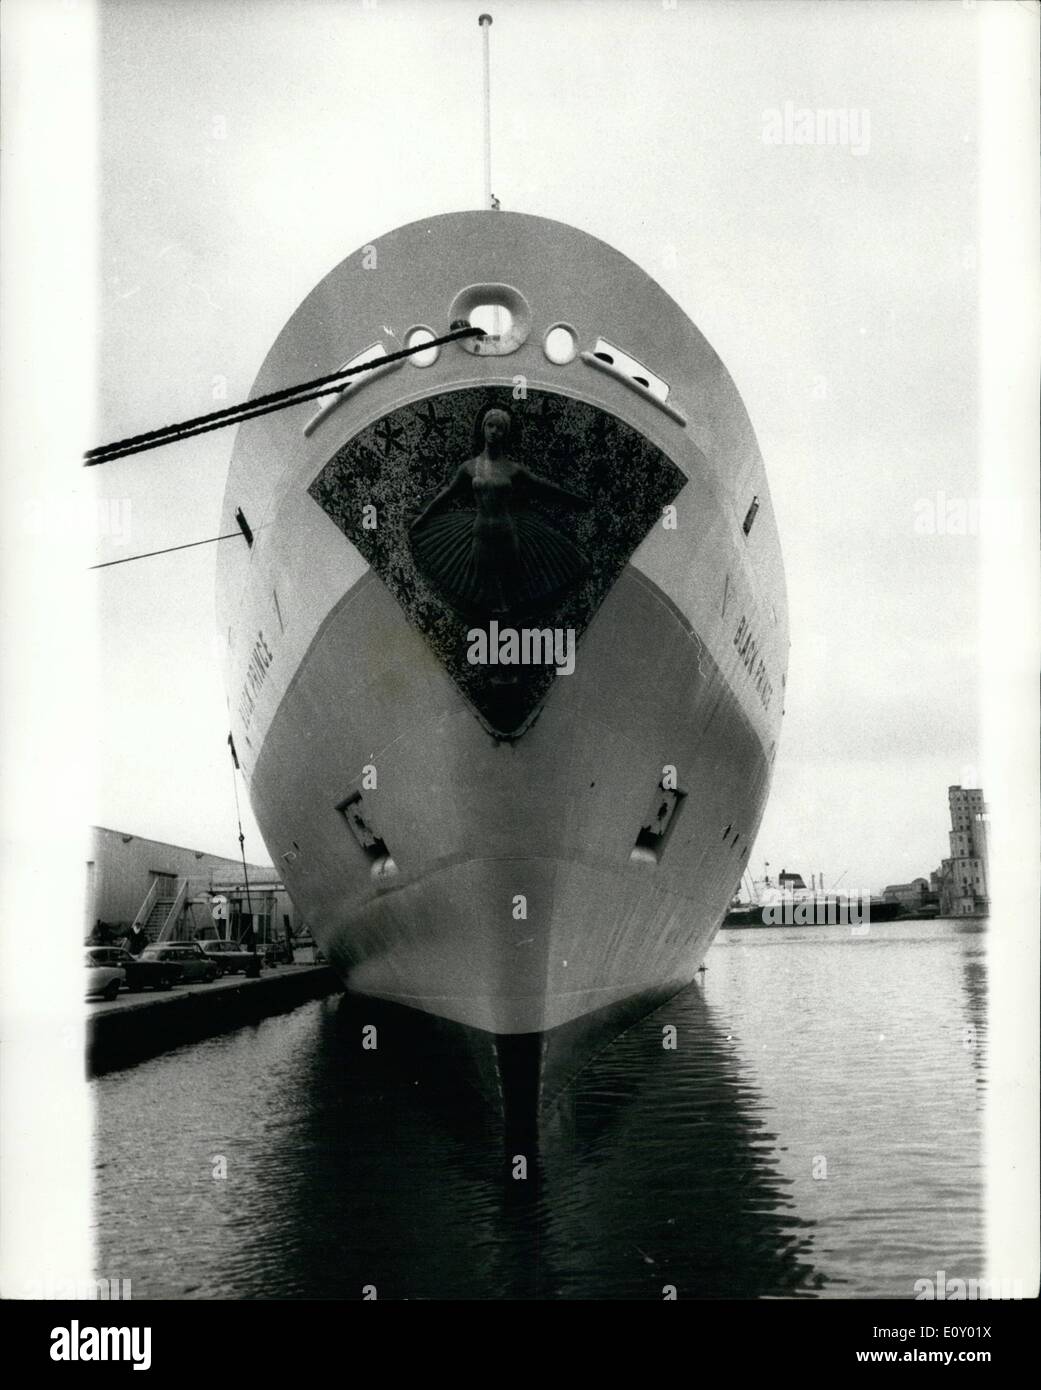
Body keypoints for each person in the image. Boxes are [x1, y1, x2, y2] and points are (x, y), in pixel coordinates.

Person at [409, 406, 590, 616]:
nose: (494, 431)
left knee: (511, 584)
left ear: (506, 434)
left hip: (507, 531)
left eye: (500, 428)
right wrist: (425, 516)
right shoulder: (469, 467)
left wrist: (575, 500)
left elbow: (542, 487)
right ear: (483, 428)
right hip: (481, 531)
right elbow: (448, 494)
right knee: (483, 585)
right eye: (490, 425)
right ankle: (489, 631)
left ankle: (511, 627)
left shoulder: (513, 469)